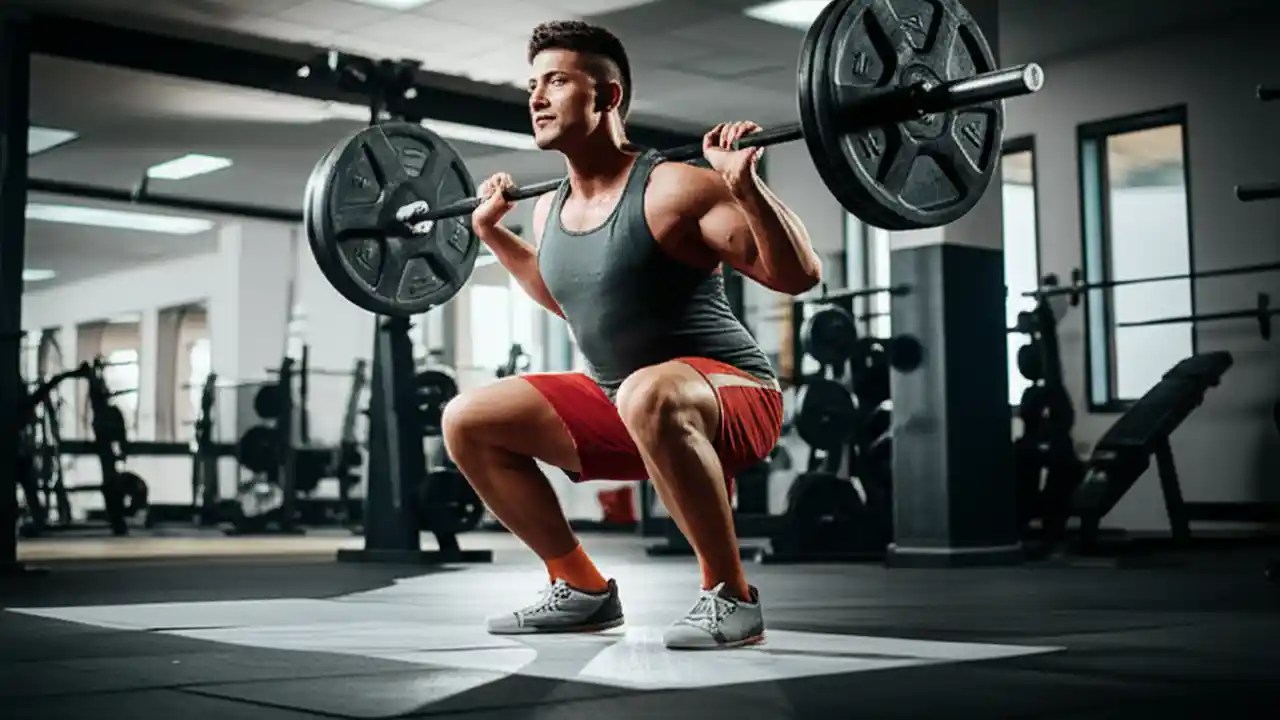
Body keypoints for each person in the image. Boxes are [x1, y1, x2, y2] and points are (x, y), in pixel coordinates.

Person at [436, 20, 822, 650]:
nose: (537, 98)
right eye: (532, 85)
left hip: (735, 398)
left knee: (648, 391)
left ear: (608, 96)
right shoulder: (549, 207)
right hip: (627, 401)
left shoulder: (675, 186)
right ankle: (580, 588)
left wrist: (745, 187)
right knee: (467, 419)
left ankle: (731, 595)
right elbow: (569, 297)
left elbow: (798, 276)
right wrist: (492, 234)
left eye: (556, 81)